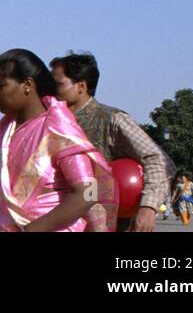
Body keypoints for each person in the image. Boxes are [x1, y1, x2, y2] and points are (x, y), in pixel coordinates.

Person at [0, 48, 116, 232]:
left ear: (27, 85)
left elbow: (88, 193)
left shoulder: (58, 128)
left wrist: (31, 230)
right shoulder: (4, 132)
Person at [50, 52, 170, 232]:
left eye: (58, 85)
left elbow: (157, 159)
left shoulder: (112, 120)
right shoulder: (52, 123)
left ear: (81, 86)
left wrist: (148, 207)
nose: (51, 91)